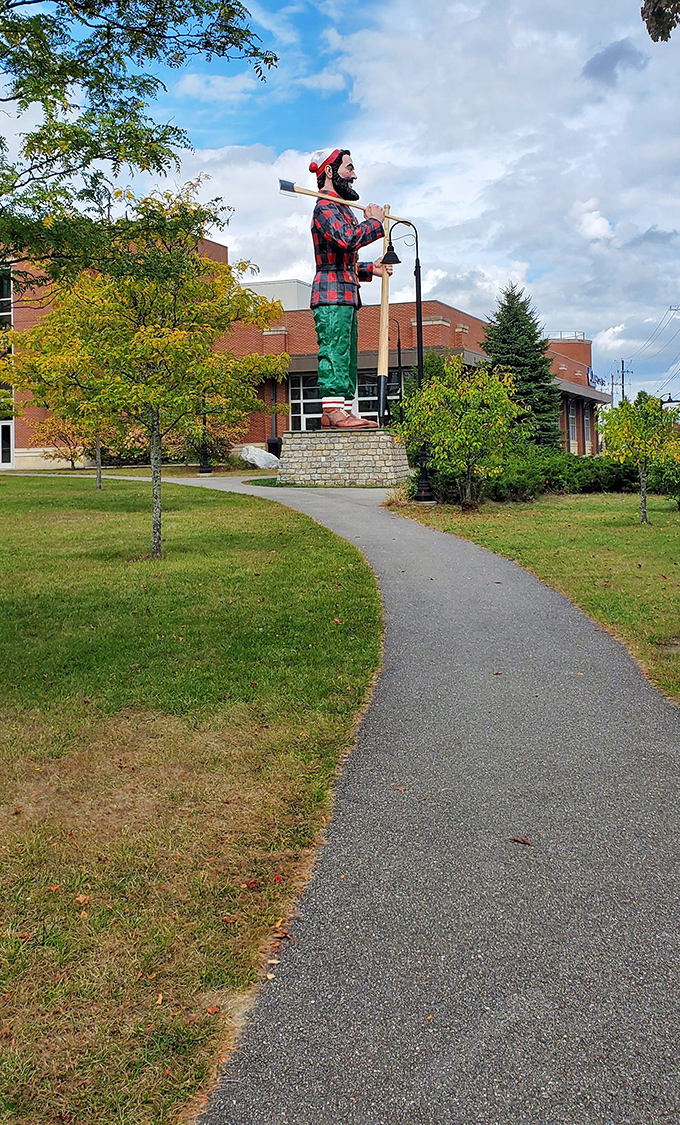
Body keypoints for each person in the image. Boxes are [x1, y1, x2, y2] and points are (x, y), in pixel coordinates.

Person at [309, 148, 392, 429]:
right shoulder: (324, 208)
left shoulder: (341, 209)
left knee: (347, 353)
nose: (354, 175)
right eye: (349, 168)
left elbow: (345, 260)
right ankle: (333, 411)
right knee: (334, 349)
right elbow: (347, 240)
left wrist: (372, 269)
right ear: (329, 172)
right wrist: (375, 224)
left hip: (345, 293)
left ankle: (344, 409)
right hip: (330, 294)